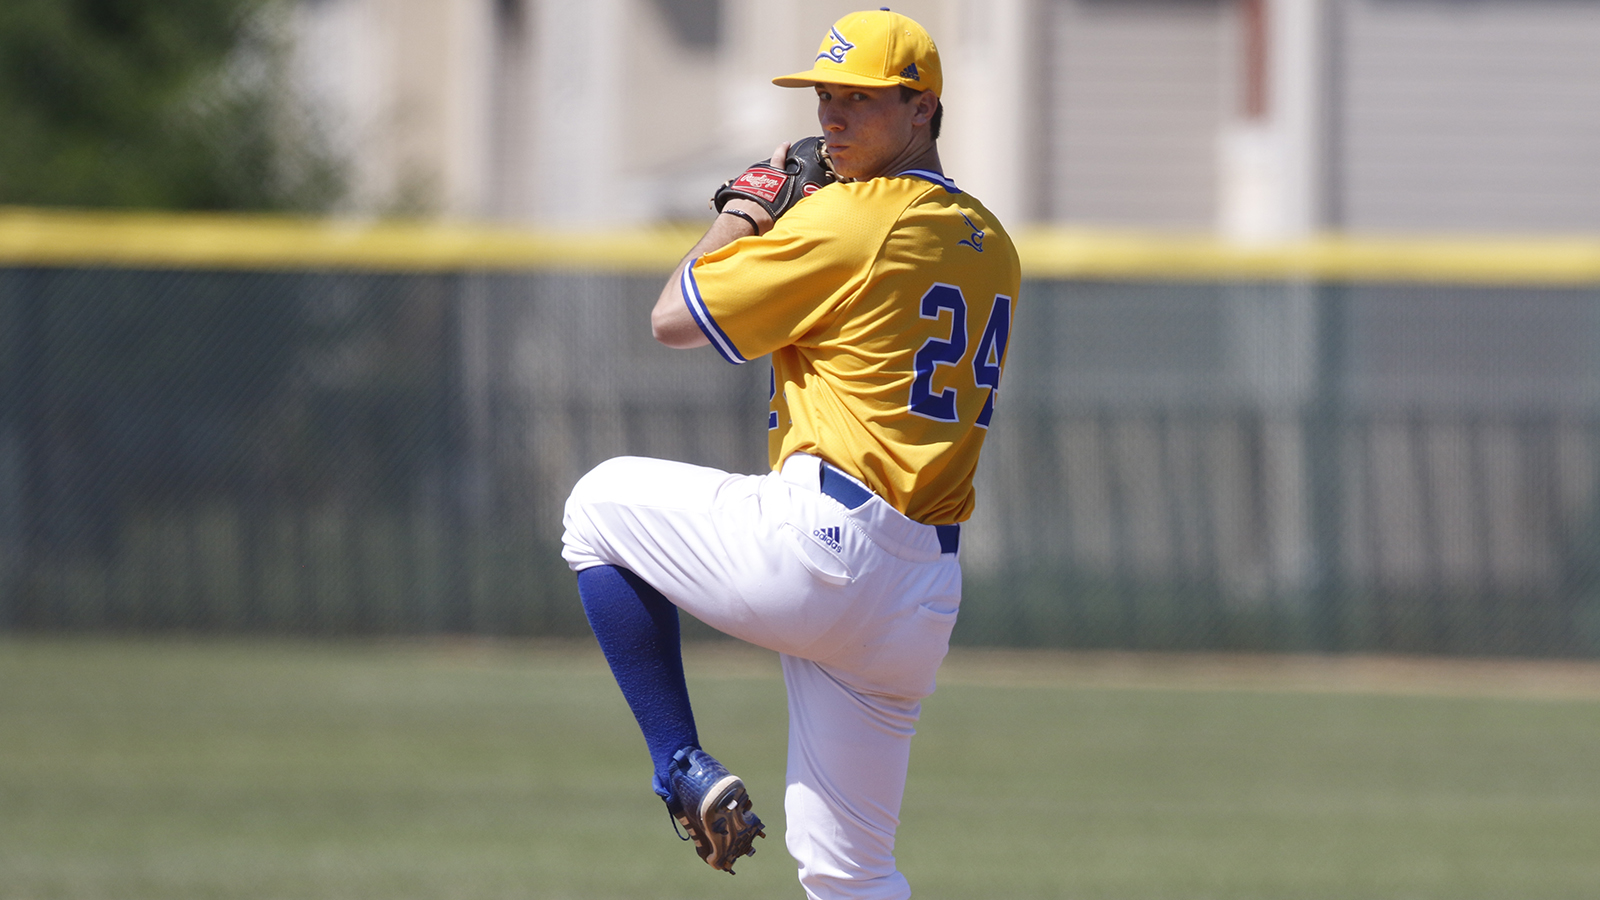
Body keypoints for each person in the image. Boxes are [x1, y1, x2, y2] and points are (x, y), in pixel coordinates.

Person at [561, 9, 1020, 899]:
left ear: (923, 109)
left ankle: (678, 765)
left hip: (823, 547)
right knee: (851, 877)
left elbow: (672, 316)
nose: (831, 118)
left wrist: (747, 210)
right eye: (824, 96)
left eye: (860, 99)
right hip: (918, 598)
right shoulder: (990, 236)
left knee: (596, 505)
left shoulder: (851, 218)